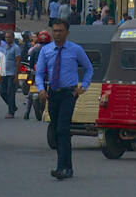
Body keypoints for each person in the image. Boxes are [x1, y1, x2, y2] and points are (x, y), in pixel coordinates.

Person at [35, 20, 94, 180]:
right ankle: (67, 167)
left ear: (67, 33)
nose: (57, 34)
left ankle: (62, 168)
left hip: (69, 93)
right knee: (56, 130)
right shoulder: (46, 51)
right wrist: (41, 88)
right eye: (55, 31)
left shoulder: (75, 50)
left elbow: (89, 68)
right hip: (52, 93)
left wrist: (84, 86)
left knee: (62, 128)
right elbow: (39, 73)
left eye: (60, 31)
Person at [23, 32, 49, 120]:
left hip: (35, 74)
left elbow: (30, 64)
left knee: (31, 92)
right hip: (47, 76)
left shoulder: (35, 49)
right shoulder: (52, 49)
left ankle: (27, 112)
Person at [0, 29, 19, 117]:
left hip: (12, 74)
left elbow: (18, 62)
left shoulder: (16, 48)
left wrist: (16, 76)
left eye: (9, 37)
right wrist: (0, 73)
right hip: (4, 73)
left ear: (13, 38)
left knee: (11, 93)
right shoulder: (4, 47)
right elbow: (2, 60)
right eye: (6, 37)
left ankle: (11, 112)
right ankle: (12, 106)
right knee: (2, 92)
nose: (7, 39)